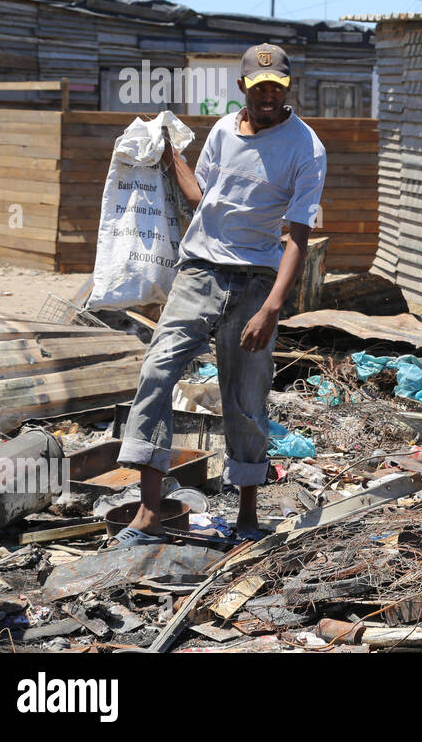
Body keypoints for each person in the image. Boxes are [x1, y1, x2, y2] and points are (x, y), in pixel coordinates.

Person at [111, 43, 327, 545]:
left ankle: (247, 516)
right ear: (242, 89)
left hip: (255, 282)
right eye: (259, 88)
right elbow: (199, 199)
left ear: (288, 89)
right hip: (200, 272)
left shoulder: (306, 147)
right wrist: (170, 155)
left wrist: (272, 308)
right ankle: (149, 513)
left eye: (277, 87)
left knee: (246, 398)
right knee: (156, 371)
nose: (268, 96)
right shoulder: (224, 130)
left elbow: (297, 235)